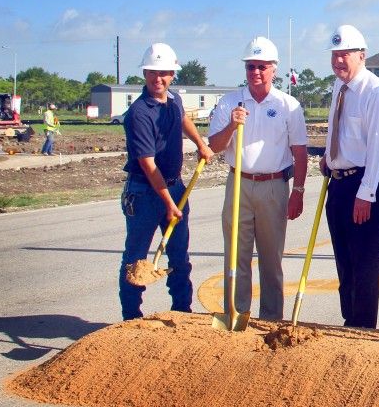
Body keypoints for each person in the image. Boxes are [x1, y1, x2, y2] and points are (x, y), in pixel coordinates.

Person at [208, 36, 308, 320]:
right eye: (250, 66)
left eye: (262, 66)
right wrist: (231, 126)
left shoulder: (288, 105)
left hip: (274, 185)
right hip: (239, 183)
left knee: (271, 258)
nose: (256, 72)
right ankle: (236, 315)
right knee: (236, 255)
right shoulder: (230, 102)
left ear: (274, 69)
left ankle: (271, 319)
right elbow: (214, 146)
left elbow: (300, 152)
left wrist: (298, 191)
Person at [118, 42, 214, 321]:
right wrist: (170, 203)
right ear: (144, 74)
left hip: (174, 186)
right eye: (152, 72)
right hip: (145, 192)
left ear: (172, 74)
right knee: (136, 259)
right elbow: (148, 165)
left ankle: (182, 312)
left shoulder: (173, 100)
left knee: (179, 255)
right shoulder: (139, 113)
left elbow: (183, 119)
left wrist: (200, 143)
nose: (157, 78)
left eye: (163, 73)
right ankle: (131, 318)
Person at [322, 24, 379, 329]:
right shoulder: (339, 87)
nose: (339, 60)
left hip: (366, 181)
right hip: (339, 182)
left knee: (364, 261)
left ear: (362, 55)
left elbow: (378, 148)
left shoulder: (375, 92)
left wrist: (366, 194)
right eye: (335, 55)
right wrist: (329, 158)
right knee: (344, 259)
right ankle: (349, 319)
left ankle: (363, 326)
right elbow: (338, 130)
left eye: (345, 54)